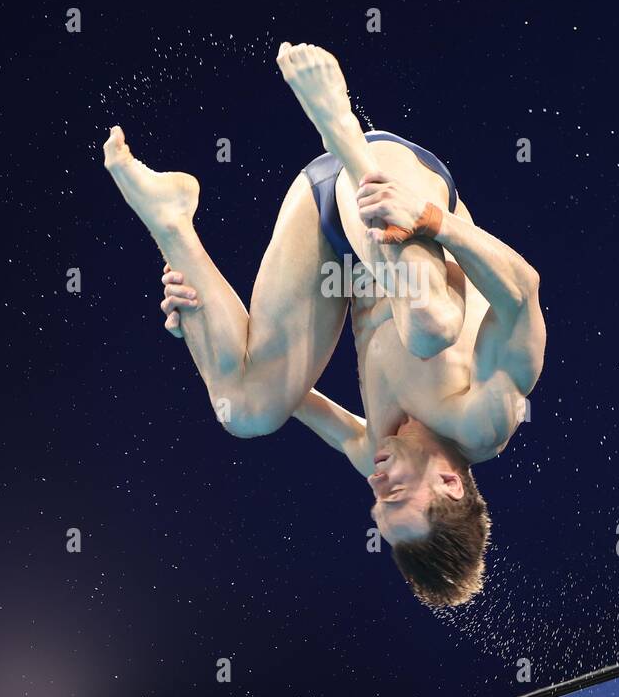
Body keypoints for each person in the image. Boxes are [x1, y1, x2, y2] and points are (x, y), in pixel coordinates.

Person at [102, 42, 545, 606]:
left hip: (326, 222)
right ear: (450, 483)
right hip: (395, 180)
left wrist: (204, 329)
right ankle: (340, 123)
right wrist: (436, 221)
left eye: (377, 505)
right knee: (432, 324)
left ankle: (170, 222)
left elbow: (289, 396)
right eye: (396, 495)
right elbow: (522, 292)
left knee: (246, 412)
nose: (376, 485)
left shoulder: (372, 451)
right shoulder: (485, 418)